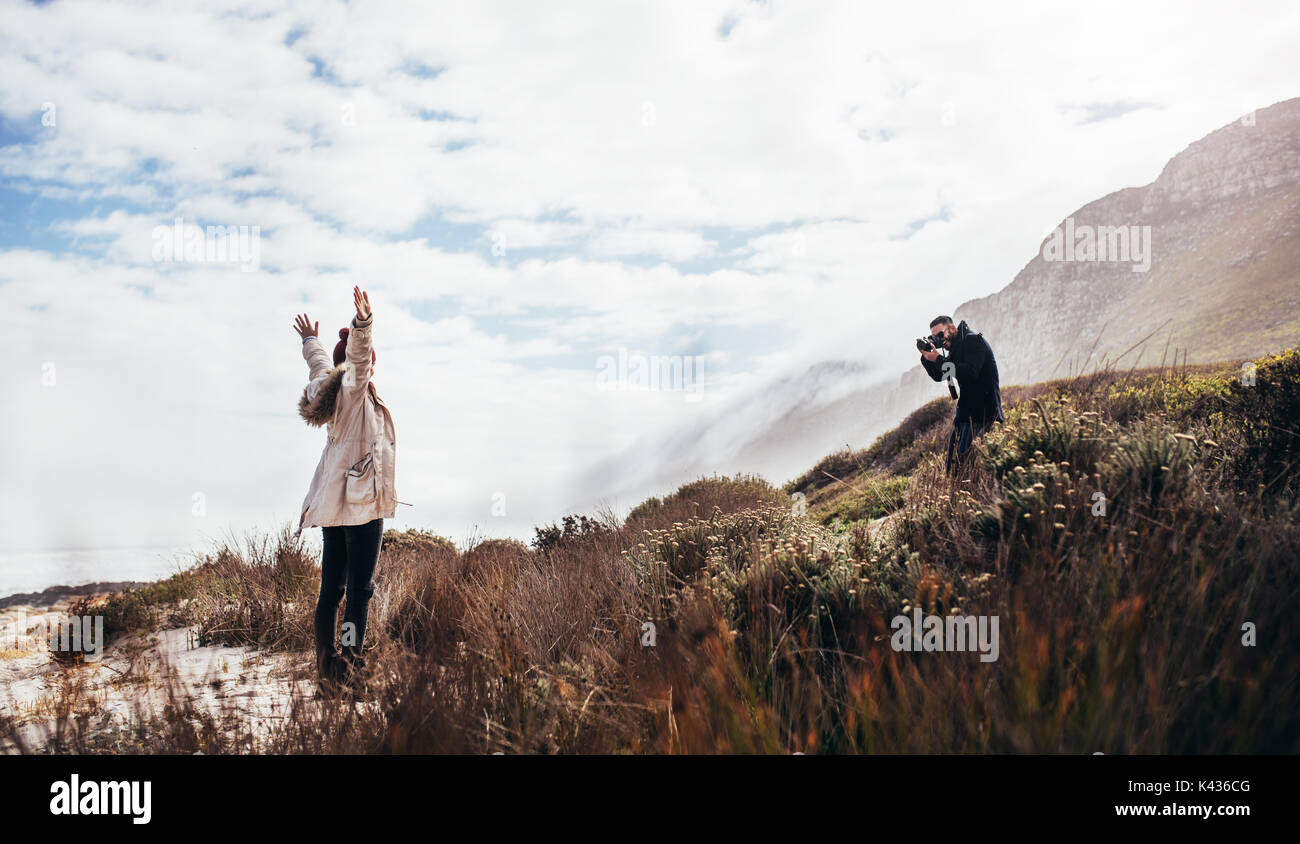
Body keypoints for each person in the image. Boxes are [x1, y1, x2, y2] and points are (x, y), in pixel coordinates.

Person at [292, 286, 397, 695]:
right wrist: (363, 325)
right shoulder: (354, 390)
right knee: (358, 593)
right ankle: (351, 672)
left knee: (330, 593)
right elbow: (353, 357)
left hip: (333, 507)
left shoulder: (331, 388)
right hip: (360, 509)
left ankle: (325, 673)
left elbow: (321, 365)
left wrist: (309, 340)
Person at [919, 315, 1003, 473]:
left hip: (983, 413)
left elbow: (970, 372)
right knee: (953, 466)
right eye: (934, 337)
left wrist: (938, 359)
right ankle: (957, 493)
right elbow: (941, 376)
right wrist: (927, 358)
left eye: (940, 335)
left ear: (952, 329)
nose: (939, 340)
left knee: (966, 466)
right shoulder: (955, 348)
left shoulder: (973, 341)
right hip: (965, 414)